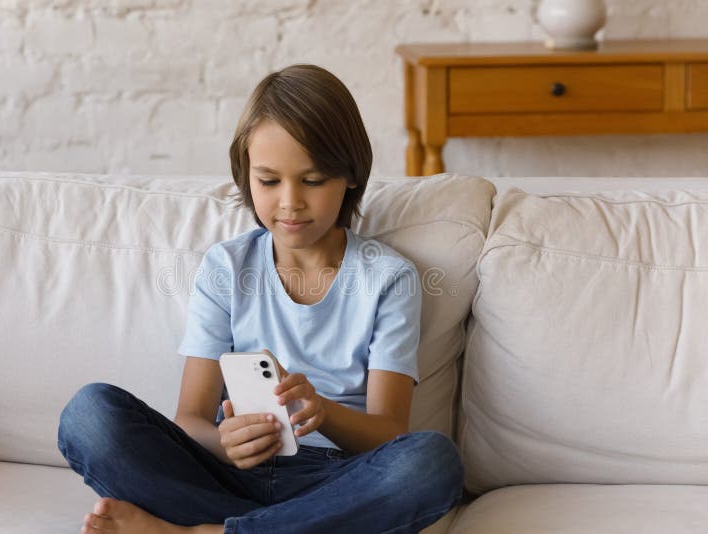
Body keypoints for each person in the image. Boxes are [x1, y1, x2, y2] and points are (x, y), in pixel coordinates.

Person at [57, 64, 464, 534]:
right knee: (89, 415)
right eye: (269, 181)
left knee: (431, 462)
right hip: (229, 475)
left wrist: (323, 412)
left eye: (312, 181)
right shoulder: (226, 268)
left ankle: (202, 532)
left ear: (349, 174)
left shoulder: (389, 279)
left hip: (333, 482)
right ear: (245, 175)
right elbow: (190, 418)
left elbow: (391, 431)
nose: (290, 202)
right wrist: (224, 442)